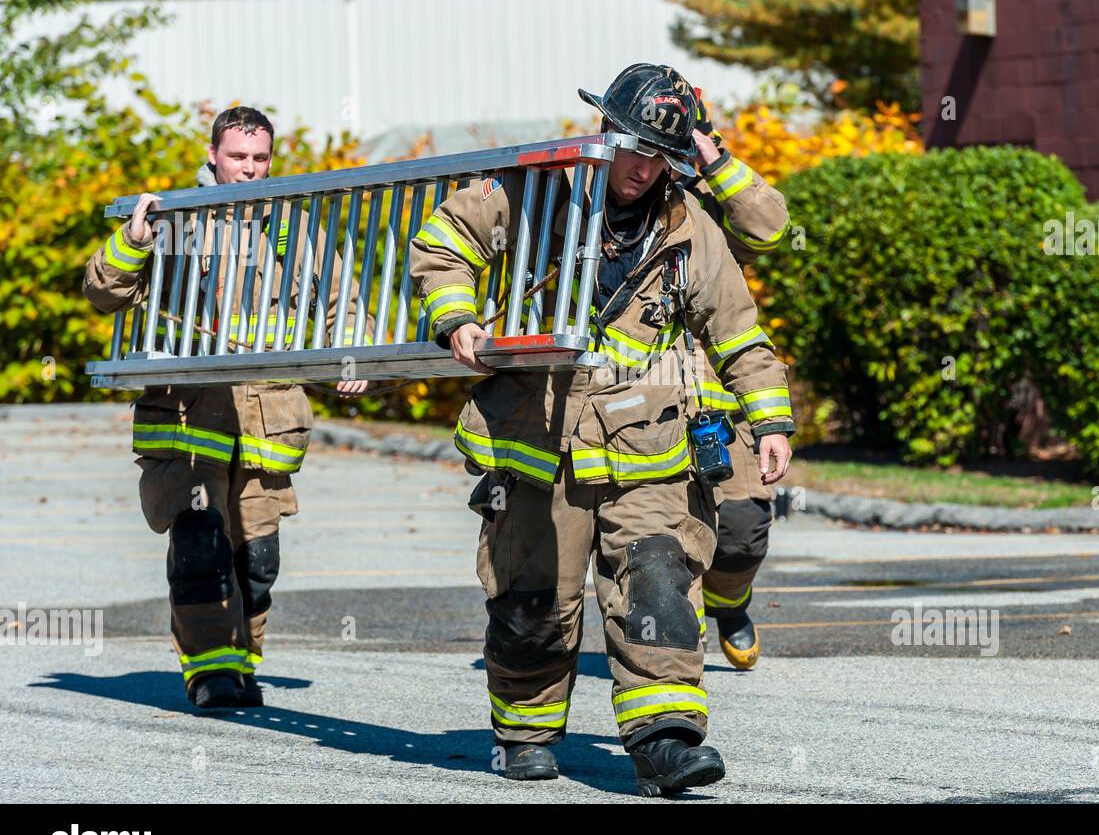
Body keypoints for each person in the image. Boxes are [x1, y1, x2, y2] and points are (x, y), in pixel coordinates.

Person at [408, 64, 795, 797]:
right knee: (533, 600)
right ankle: (523, 732)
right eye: (632, 144)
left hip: (645, 444)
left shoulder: (690, 228)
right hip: (536, 438)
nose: (641, 165)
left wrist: (769, 420)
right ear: (605, 130)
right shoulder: (536, 188)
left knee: (657, 580)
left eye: (659, 154)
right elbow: (444, 241)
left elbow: (739, 333)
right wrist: (457, 314)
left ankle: (667, 743)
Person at [83, 106, 369, 711]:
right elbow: (103, 292)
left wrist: (352, 360)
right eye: (237, 157)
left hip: (266, 420)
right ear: (213, 155)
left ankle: (242, 660)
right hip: (188, 417)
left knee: (256, 559)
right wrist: (132, 243)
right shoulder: (176, 219)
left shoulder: (292, 227)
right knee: (200, 549)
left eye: (260, 157)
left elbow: (345, 306)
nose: (249, 169)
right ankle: (208, 671)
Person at [678, 87, 791, 669]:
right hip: (642, 395)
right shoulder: (608, 186)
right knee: (664, 528)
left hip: (722, 398)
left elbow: (769, 227)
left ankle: (732, 600)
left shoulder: (710, 189)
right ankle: (678, 625)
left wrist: (712, 162)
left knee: (743, 529)